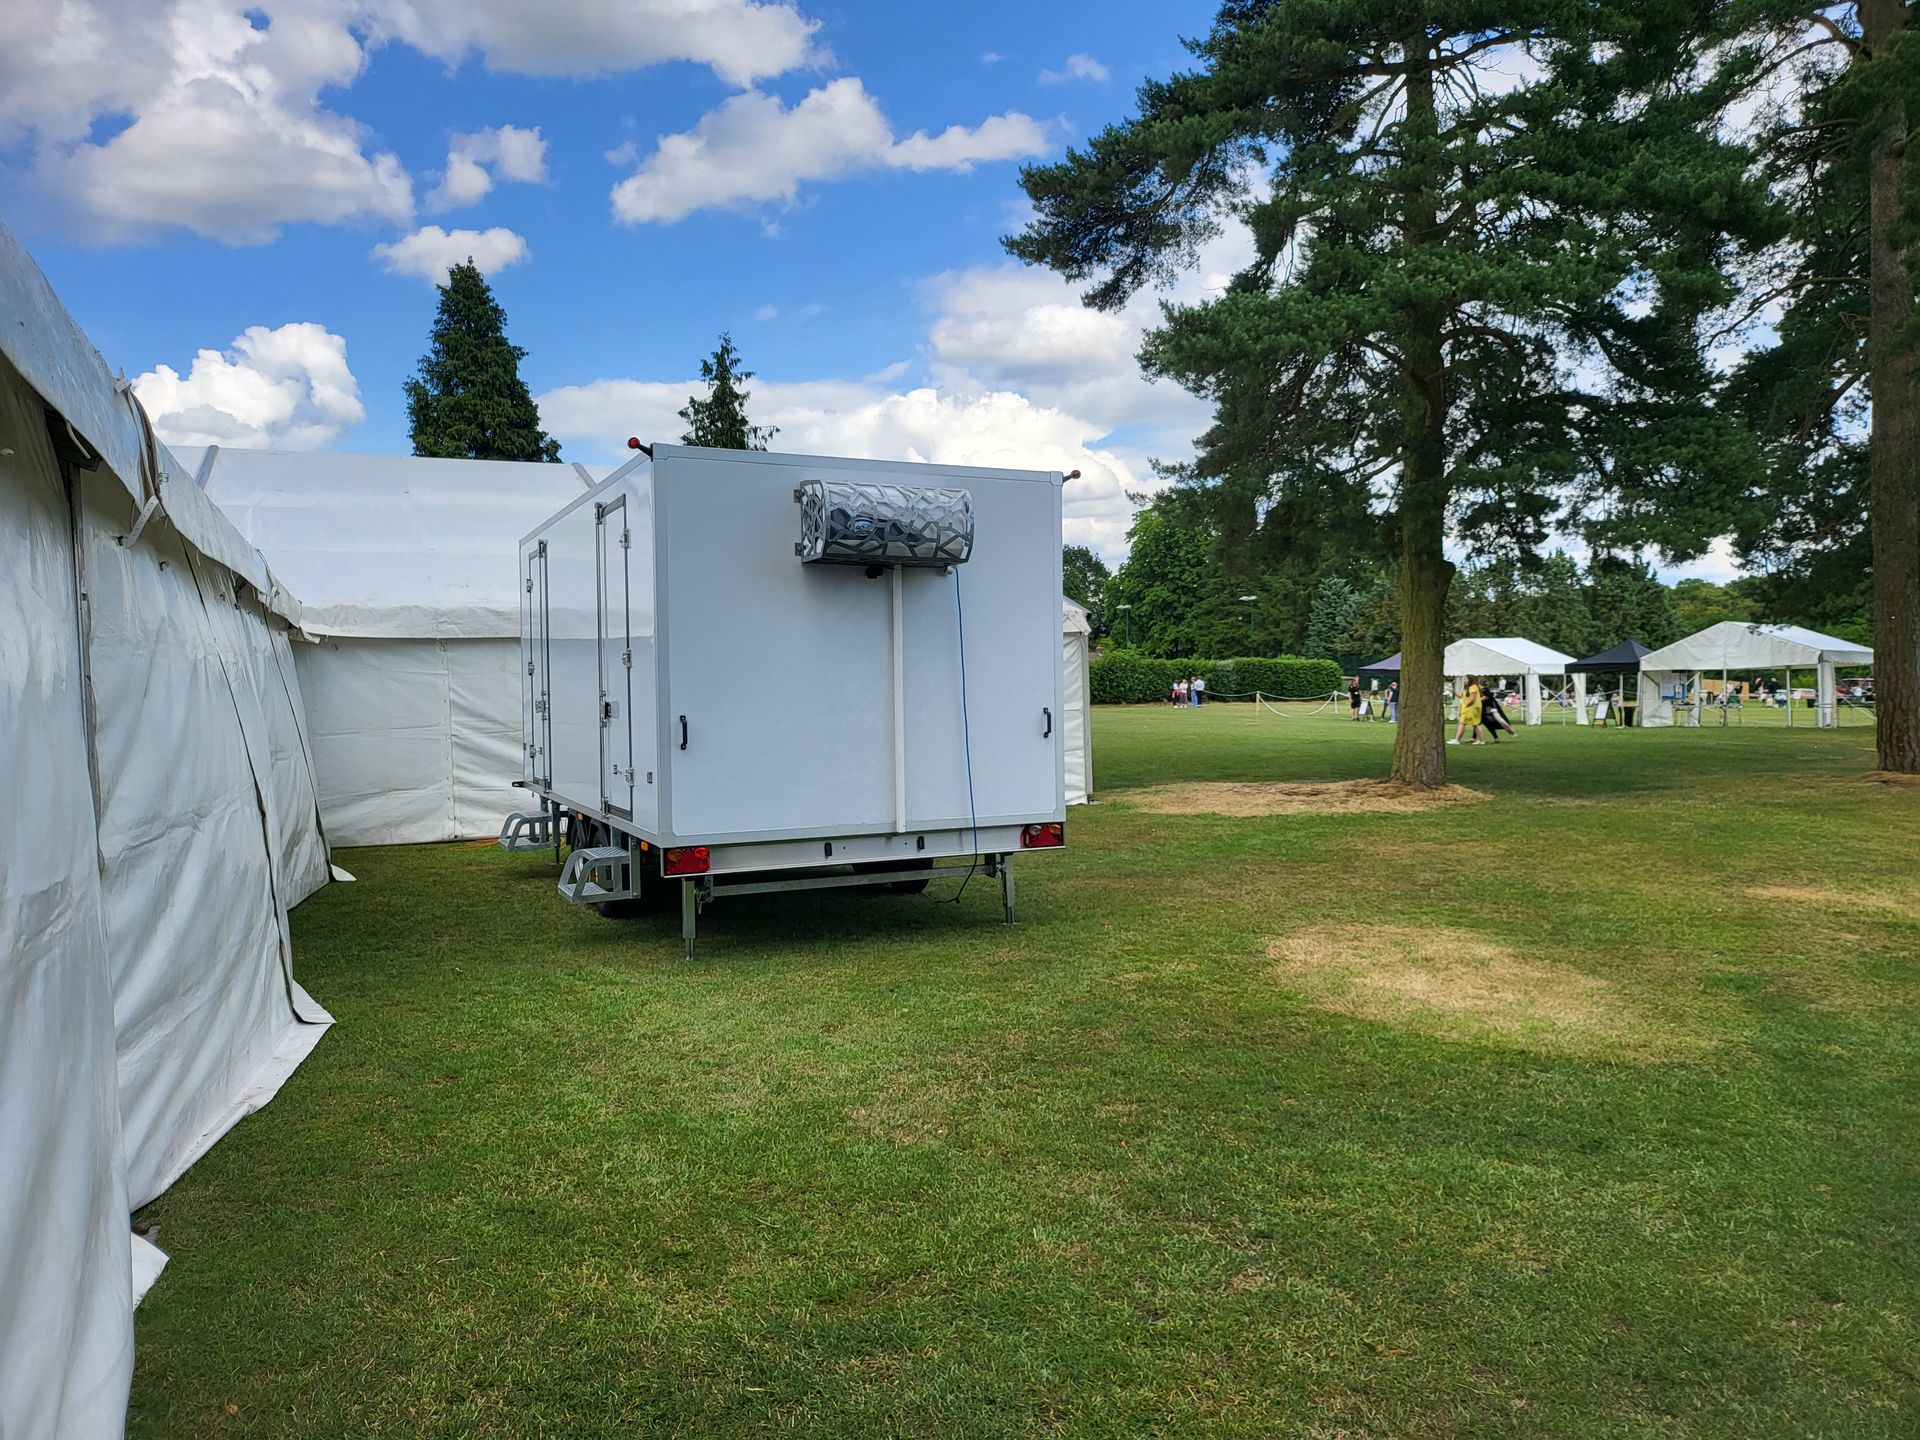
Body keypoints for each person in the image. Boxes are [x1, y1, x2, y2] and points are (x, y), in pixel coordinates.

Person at [1450, 677, 1484, 745]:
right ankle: (1481, 740)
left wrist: (1465, 705)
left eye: (1465, 679)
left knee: (1462, 723)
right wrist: (1453, 692)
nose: (1464, 680)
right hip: (1472, 708)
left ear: (1470, 679)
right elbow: (1461, 696)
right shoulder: (1470, 688)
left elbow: (1472, 699)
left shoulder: (1472, 687)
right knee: (1475, 724)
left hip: (1470, 709)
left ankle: (1457, 740)